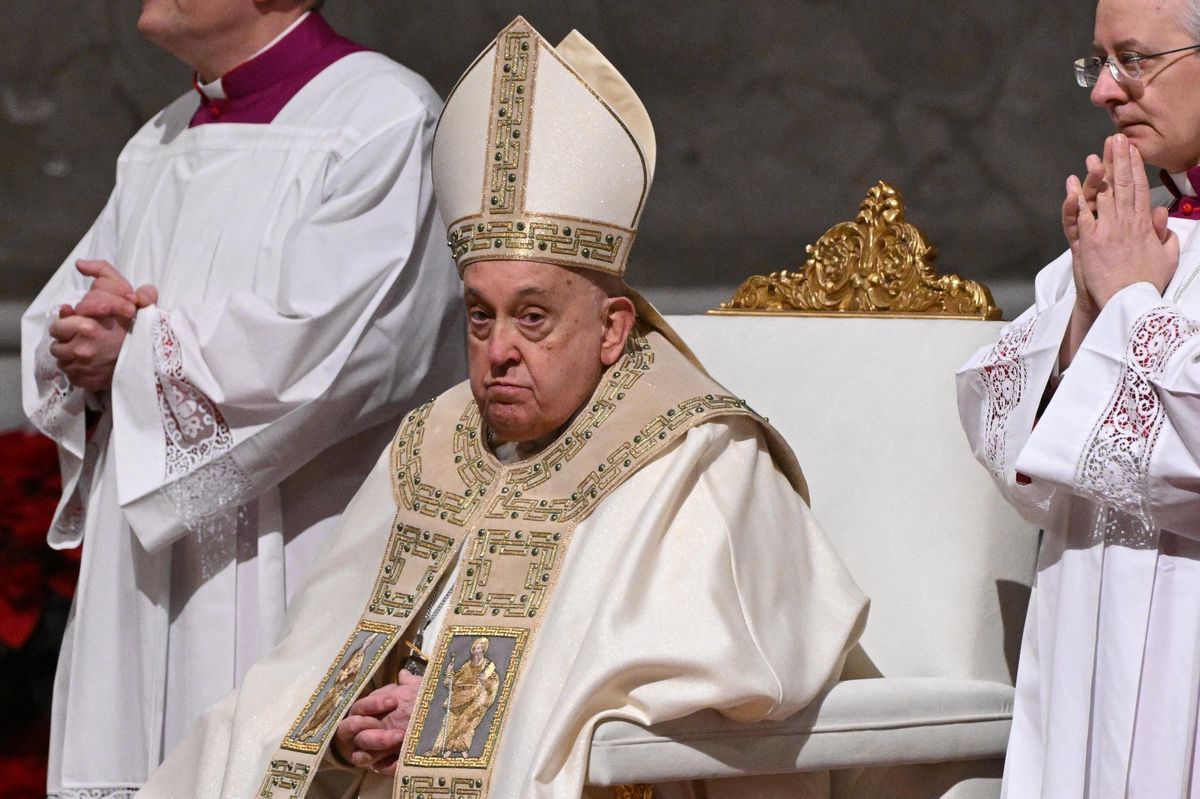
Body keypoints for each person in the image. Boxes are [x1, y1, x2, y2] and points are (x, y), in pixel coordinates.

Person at [137, 16, 867, 799]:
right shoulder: (437, 437)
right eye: (480, 316)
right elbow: (312, 656)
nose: (499, 350)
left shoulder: (697, 454)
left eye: (534, 316)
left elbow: (721, 674)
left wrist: (456, 709)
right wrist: (339, 728)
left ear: (613, 327)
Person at [19, 2, 463, 797]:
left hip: (296, 542)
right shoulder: (159, 139)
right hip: (146, 570)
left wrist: (141, 348)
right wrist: (86, 345)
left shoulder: (384, 117)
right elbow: (69, 309)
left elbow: (355, 352)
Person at [956, 0, 1200, 793]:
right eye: (1097, 62)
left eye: (1133, 59)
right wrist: (1089, 306)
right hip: (1083, 629)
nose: (1103, 91)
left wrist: (1129, 300)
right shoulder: (1141, 232)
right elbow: (1014, 454)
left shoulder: (1136, 256)